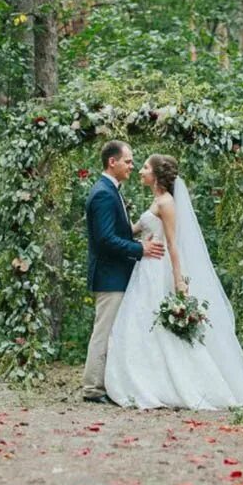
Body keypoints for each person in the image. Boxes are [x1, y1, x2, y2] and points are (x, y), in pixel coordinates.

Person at [103, 153, 243, 410]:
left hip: (158, 270)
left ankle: (169, 384)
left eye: (145, 167)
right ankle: (146, 378)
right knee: (141, 324)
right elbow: (133, 231)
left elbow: (173, 244)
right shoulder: (157, 200)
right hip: (144, 268)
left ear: (156, 174)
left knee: (154, 325)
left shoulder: (167, 202)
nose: (140, 171)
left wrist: (179, 280)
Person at [82, 140, 165, 403]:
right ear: (112, 162)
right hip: (109, 275)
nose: (131, 166)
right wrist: (141, 249)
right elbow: (105, 239)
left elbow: (117, 231)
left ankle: (108, 384)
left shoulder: (111, 190)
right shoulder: (104, 193)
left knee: (114, 332)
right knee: (104, 332)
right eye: (128, 161)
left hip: (117, 273)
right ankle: (93, 389)